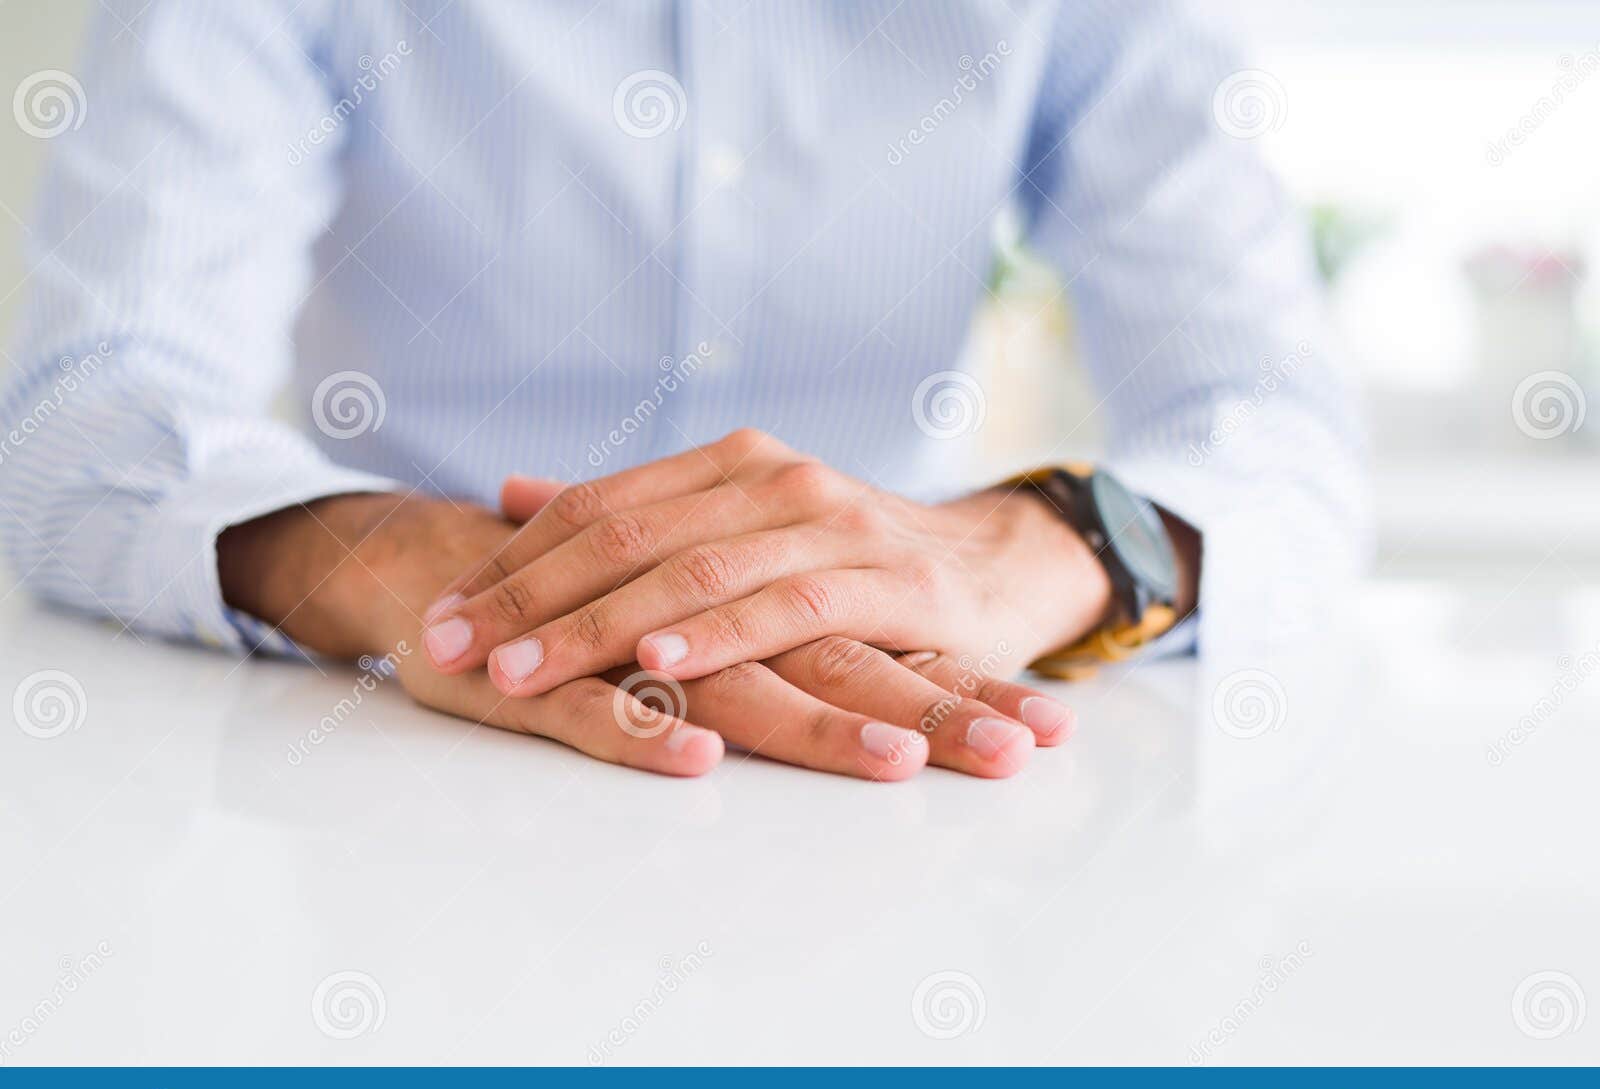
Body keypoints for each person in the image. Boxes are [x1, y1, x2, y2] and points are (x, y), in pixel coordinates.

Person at [0, 1, 1367, 781]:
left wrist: (1047, 544)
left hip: (904, 735)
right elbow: (85, 409)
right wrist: (389, 557)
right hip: (415, 725)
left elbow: (1281, 426)